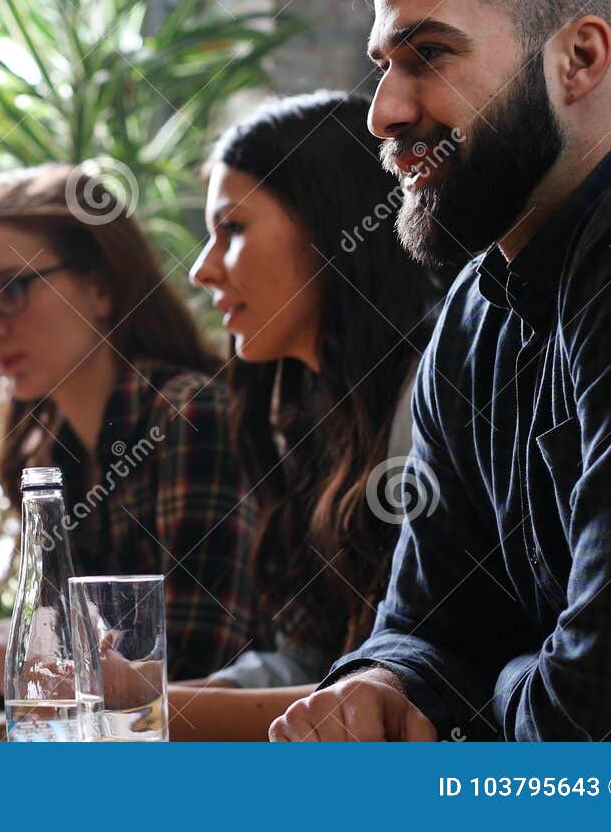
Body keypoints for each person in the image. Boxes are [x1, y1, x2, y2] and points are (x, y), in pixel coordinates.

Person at [274, 0, 611, 742]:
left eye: (428, 56)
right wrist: (385, 686)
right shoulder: (477, 306)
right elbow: (428, 626)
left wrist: (468, 693)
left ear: (579, 57)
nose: (383, 111)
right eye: (383, 63)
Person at [166, 92, 446, 740]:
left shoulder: (428, 397)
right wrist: (166, 692)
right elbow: (311, 659)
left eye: (232, 230)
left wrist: (139, 708)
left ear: (329, 225)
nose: (203, 270)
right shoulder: (299, 412)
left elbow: (413, 685)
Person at [0, 163, 253, 682]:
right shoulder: (48, 455)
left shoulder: (187, 416)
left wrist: (57, 658)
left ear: (100, 286)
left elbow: (193, 669)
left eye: (10, 290)